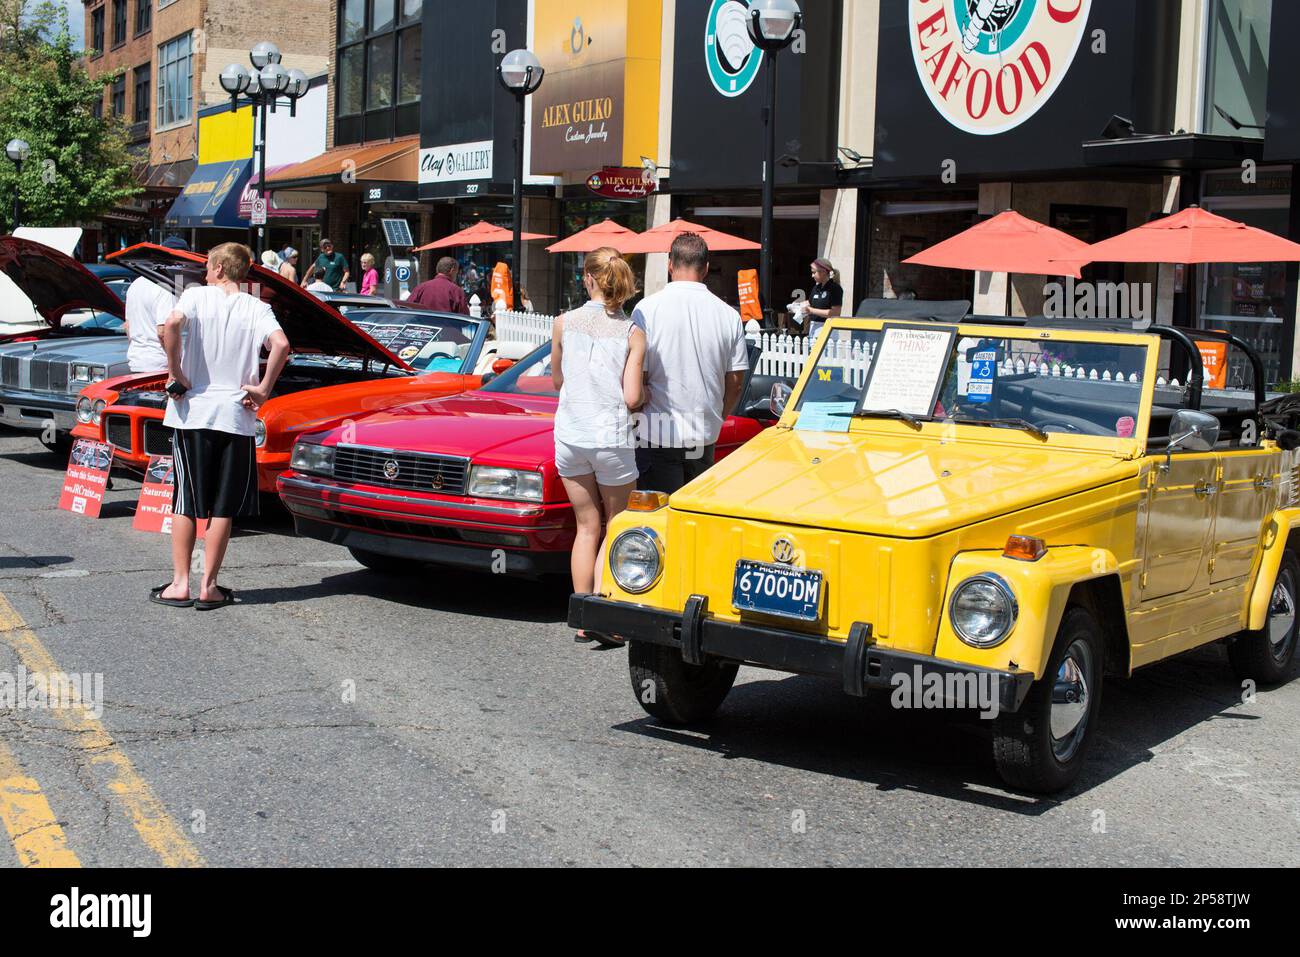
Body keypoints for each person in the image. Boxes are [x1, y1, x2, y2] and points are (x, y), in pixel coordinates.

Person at [151, 242, 290, 610]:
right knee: (222, 507)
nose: (205, 272)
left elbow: (171, 325)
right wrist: (262, 390)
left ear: (219, 269)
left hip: (192, 411)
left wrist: (175, 371)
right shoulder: (258, 307)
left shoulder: (196, 297)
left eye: (208, 266)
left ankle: (180, 583)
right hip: (236, 414)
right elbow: (281, 344)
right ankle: (208, 587)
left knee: (185, 500)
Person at [551, 248, 644, 643]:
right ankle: (606, 615)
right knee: (616, 524)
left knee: (585, 527)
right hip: (611, 437)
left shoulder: (562, 323)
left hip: (571, 433)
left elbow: (558, 380)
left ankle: (583, 613)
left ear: (587, 279)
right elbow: (632, 397)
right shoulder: (632, 332)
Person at [631, 232, 749, 494]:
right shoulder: (728, 315)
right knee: (693, 522)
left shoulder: (646, 309)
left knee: (656, 523)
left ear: (670, 264)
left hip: (655, 432)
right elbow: (736, 382)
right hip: (703, 432)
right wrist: (717, 417)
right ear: (706, 268)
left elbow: (638, 376)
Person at [799, 257, 843, 340]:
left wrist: (811, 310)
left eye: (814, 272)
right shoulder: (816, 288)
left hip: (828, 329)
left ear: (823, 272)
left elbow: (835, 313)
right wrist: (798, 305)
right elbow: (811, 302)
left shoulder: (835, 288)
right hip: (813, 328)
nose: (812, 276)